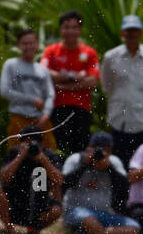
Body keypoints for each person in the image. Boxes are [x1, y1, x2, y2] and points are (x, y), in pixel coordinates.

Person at [60, 131, 141, 234]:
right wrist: (85, 165)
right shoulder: (76, 159)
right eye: (98, 148)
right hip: (75, 211)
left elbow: (124, 186)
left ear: (111, 150)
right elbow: (64, 183)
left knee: (134, 227)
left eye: (106, 149)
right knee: (88, 219)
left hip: (103, 214)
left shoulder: (113, 162)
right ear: (89, 147)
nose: (101, 152)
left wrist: (109, 169)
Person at [99, 14, 143, 165]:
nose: (131, 34)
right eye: (128, 31)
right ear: (122, 33)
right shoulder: (110, 57)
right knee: (120, 164)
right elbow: (106, 86)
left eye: (135, 30)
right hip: (120, 121)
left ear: (140, 33)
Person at [0, 125, 64, 234]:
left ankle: (33, 233)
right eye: (26, 141)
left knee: (57, 210)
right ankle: (10, 231)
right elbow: (3, 178)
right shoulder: (15, 153)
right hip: (14, 204)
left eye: (34, 141)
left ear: (42, 143)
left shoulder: (49, 155)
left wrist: (43, 160)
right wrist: (20, 157)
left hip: (39, 206)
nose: (30, 146)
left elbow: (59, 180)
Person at [41, 10, 100, 155]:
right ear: (61, 29)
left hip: (81, 109)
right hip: (55, 108)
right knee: (56, 150)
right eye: (67, 27)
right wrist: (74, 78)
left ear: (80, 30)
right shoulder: (51, 51)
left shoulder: (89, 53)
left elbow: (92, 82)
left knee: (79, 152)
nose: (71, 31)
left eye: (75, 27)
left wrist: (62, 84)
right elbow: (43, 73)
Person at [0, 29, 56, 148]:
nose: (29, 46)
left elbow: (50, 94)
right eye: (25, 43)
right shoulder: (11, 65)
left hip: (41, 120)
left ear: (37, 44)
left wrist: (46, 115)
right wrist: (32, 99)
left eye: (32, 43)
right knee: (16, 155)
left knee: (49, 156)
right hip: (19, 118)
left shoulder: (42, 70)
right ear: (19, 45)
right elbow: (5, 91)